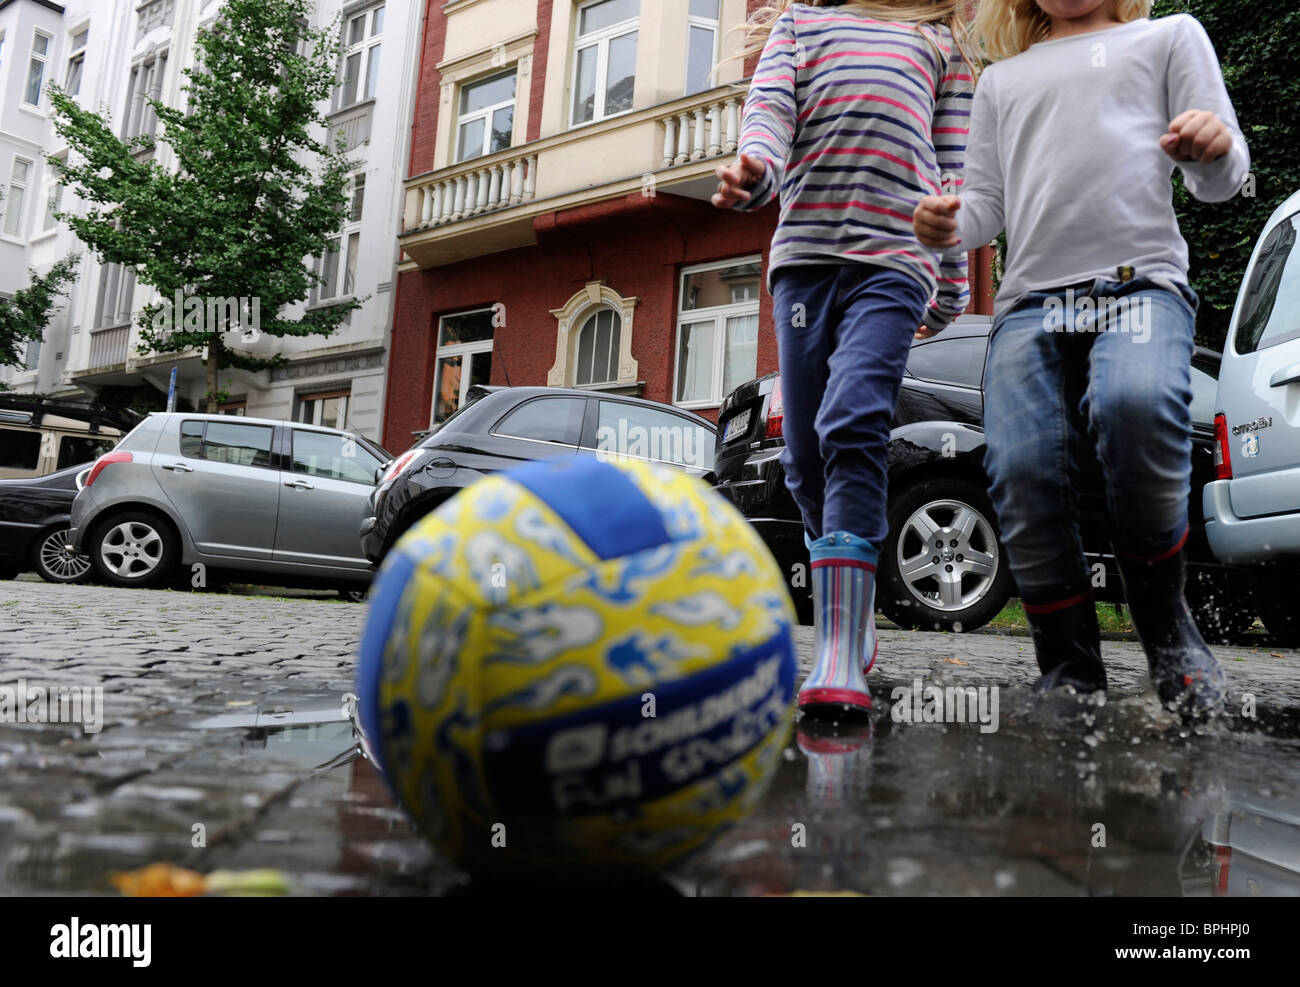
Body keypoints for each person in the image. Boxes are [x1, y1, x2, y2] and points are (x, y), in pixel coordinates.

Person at [913, 0, 1249, 715]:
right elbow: (985, 207)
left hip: (1139, 287)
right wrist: (947, 224)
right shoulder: (1003, 82)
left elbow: (1221, 182)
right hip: (1031, 302)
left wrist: (1215, 148)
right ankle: (1068, 666)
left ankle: (1168, 630)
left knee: (1133, 406)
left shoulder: (1167, 38)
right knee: (1021, 468)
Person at [714, 1, 976, 714]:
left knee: (851, 421)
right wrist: (754, 172)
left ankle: (835, 653)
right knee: (803, 456)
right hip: (805, 260)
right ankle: (848, 616)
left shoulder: (941, 43)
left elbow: (952, 170)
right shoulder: (799, 25)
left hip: (895, 263)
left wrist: (949, 284)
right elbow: (768, 115)